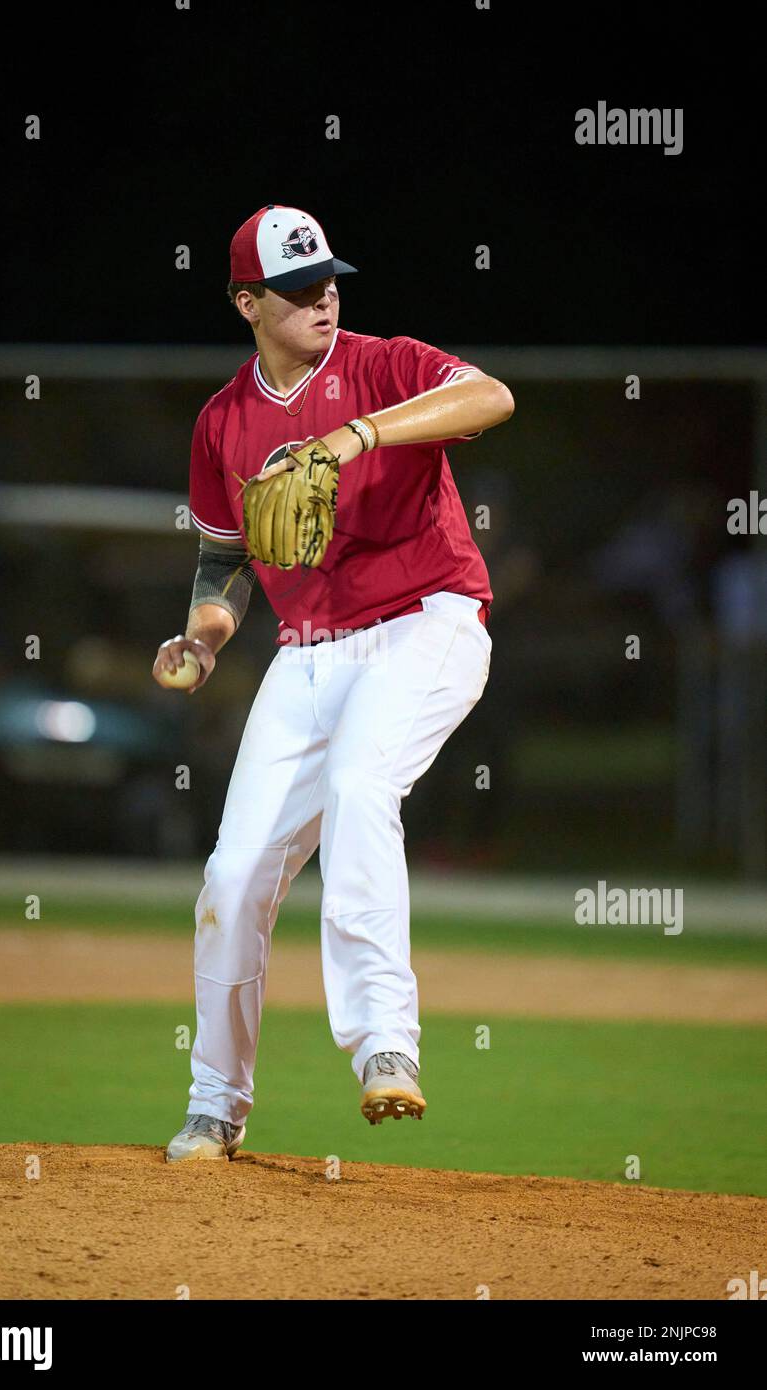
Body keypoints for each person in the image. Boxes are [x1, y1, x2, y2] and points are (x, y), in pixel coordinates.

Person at [152, 204, 514, 1161]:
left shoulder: (382, 364)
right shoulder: (223, 422)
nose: (323, 295)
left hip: (428, 619)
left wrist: (358, 438)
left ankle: (385, 1044)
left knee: (362, 786)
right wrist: (202, 639)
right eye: (296, 286)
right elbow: (221, 560)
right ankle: (214, 1104)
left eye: (328, 278)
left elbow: (491, 398)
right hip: (308, 650)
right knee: (233, 877)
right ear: (245, 302)